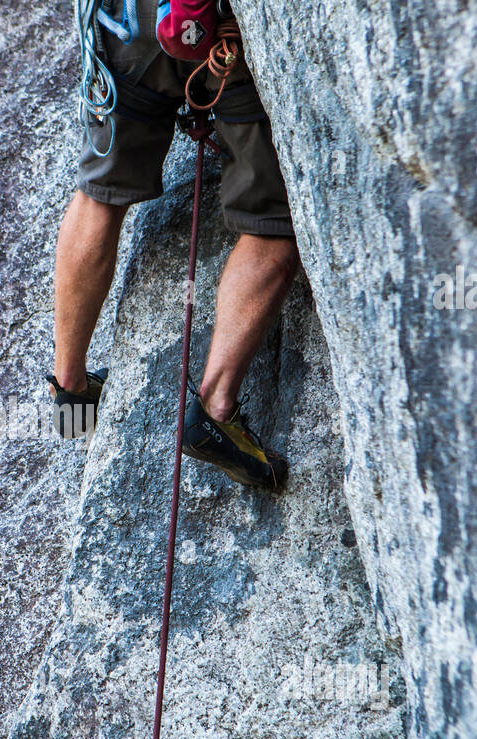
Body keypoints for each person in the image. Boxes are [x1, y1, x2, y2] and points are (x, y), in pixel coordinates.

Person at [47, 0, 297, 489]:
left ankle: (71, 388)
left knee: (100, 193)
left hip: (132, 24)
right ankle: (216, 409)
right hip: (227, 36)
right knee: (275, 220)